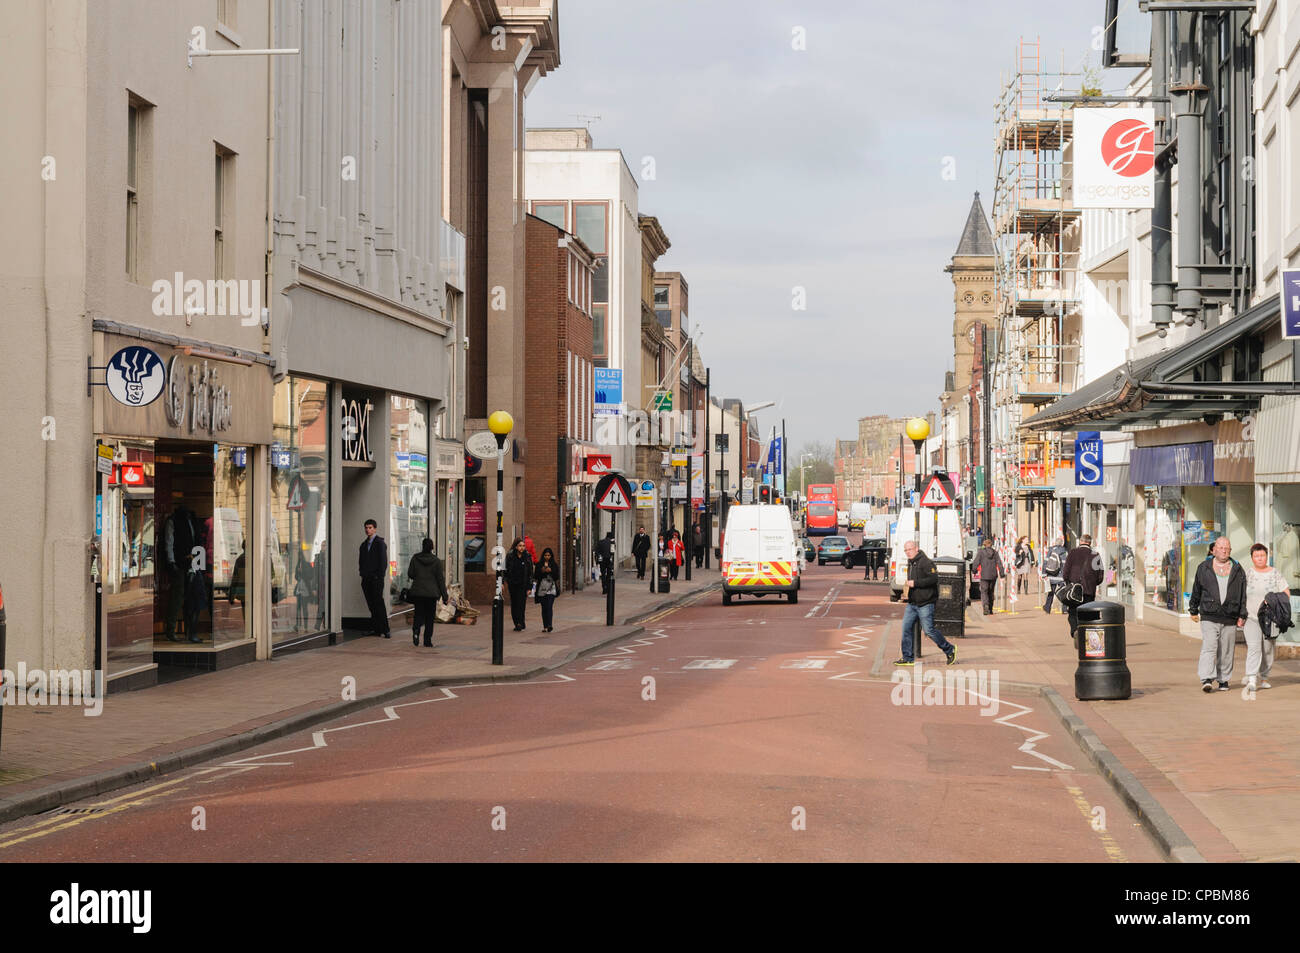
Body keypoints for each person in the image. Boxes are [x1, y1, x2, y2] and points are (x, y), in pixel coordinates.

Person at [1188, 536, 1246, 693]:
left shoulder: (1238, 569)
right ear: (1213, 550)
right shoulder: (1204, 567)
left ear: (1230, 550)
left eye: (1227, 547)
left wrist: (1242, 614)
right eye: (1221, 547)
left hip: (1230, 615)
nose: (1224, 550)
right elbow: (1196, 590)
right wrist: (1193, 609)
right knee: (1209, 646)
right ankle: (1206, 678)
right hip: (1209, 614)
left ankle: (1223, 679)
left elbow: (1242, 594)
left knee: (1226, 650)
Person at [893, 540, 958, 667]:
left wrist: (915, 583)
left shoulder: (926, 562)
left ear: (916, 548)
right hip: (912, 604)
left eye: (910, 549)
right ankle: (907, 658)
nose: (908, 552)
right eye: (906, 550)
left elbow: (934, 579)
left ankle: (950, 650)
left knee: (929, 631)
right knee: (906, 628)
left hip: (926, 603)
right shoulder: (911, 562)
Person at [1242, 543, 1290, 693]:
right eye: (1256, 556)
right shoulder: (1247, 574)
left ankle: (1264, 677)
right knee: (1254, 647)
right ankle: (1251, 678)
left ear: (1267, 556)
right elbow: (1240, 596)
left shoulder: (1275, 573)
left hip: (1270, 619)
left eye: (1262, 555)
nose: (1259, 558)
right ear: (1252, 558)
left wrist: (1273, 600)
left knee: (1268, 649)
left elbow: (1286, 593)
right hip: (1251, 617)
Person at [1061, 534, 1105, 643]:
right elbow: (1100, 576)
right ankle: (1088, 638)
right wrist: (1093, 583)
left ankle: (1076, 630)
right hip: (1089, 591)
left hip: (1074, 591)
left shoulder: (1072, 553)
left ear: (1080, 541)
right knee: (1088, 614)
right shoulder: (1095, 555)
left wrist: (1069, 583)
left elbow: (1065, 573)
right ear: (1090, 543)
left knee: (1073, 613)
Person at [406, 537, 448, 647]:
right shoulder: (436, 561)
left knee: (418, 614)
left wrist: (419, 575)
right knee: (430, 617)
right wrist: (445, 595)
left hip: (418, 592)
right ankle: (427, 640)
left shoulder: (415, 558)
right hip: (431, 594)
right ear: (432, 547)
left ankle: (416, 632)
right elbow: (440, 579)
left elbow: (410, 574)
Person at [358, 518, 390, 638]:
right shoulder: (363, 545)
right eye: (366, 528)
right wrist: (362, 574)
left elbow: (383, 562)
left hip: (376, 579)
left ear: (375, 529)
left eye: (370, 527)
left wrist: (379, 576)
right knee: (371, 604)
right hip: (366, 579)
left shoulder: (380, 543)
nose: (368, 530)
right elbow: (361, 562)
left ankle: (386, 629)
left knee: (379, 603)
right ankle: (376, 629)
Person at [505, 537, 533, 631]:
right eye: (520, 546)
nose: (522, 548)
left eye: (523, 546)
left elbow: (530, 573)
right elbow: (506, 569)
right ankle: (516, 622)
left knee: (521, 605)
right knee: (514, 604)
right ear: (516, 547)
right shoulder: (510, 556)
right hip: (513, 584)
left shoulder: (527, 556)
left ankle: (521, 622)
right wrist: (505, 581)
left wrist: (529, 587)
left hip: (523, 584)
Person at [974, 538, 1005, 615]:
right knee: (991, 592)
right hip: (993, 575)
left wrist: (974, 571)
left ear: (984, 545)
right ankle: (990, 609)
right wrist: (1002, 575)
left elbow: (976, 562)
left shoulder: (981, 552)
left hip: (984, 575)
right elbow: (1000, 564)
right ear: (991, 545)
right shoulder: (995, 552)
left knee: (984, 591)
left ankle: (985, 606)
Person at [535, 547, 561, 633]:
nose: (547, 557)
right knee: (544, 607)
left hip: (551, 588)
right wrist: (542, 571)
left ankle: (550, 625)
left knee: (549, 606)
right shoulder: (539, 564)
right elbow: (536, 576)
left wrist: (551, 571)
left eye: (549, 555)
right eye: (545, 555)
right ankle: (545, 626)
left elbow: (557, 576)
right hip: (542, 588)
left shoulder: (554, 564)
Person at [1040, 536, 1068, 614]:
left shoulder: (1051, 550)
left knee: (1051, 592)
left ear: (1055, 543)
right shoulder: (1065, 551)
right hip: (1061, 576)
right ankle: (1064, 609)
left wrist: (1044, 574)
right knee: (1063, 592)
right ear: (1062, 543)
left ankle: (1047, 608)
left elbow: (1046, 562)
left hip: (1051, 575)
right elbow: (1066, 564)